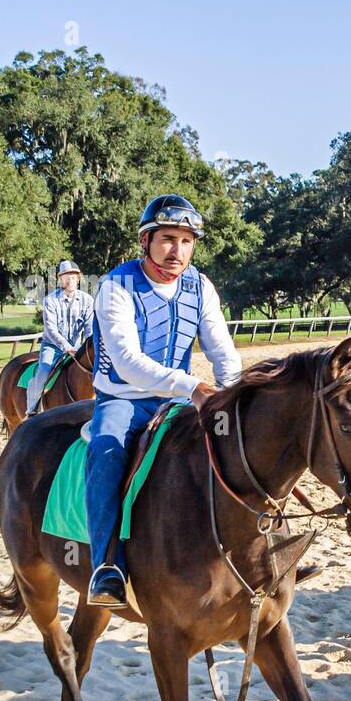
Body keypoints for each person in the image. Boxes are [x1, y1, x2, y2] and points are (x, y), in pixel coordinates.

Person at [84, 195, 243, 607]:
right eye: (168, 239)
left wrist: (236, 392)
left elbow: (220, 347)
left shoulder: (200, 286)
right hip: (125, 399)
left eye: (187, 241)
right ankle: (107, 566)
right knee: (106, 450)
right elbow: (127, 361)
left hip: (177, 400)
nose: (178, 250)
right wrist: (191, 387)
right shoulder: (116, 286)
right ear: (146, 240)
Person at [26, 260, 94, 416]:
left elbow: (90, 330)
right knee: (43, 371)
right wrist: (67, 347)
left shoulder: (87, 300)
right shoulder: (50, 300)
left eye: (73, 276)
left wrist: (87, 349)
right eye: (65, 276)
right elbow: (51, 330)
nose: (69, 280)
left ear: (78, 279)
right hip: (53, 347)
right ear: (60, 279)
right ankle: (31, 410)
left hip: (77, 349)